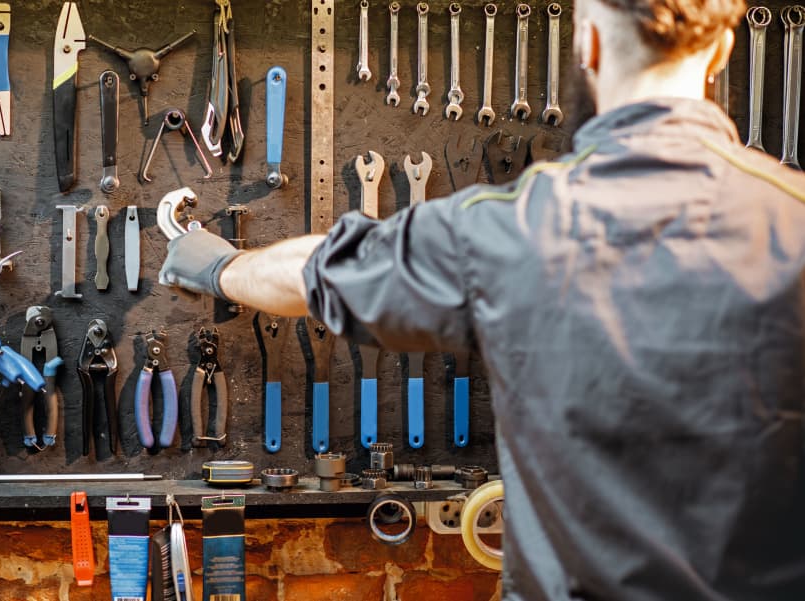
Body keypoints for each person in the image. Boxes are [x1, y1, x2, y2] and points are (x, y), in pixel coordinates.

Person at [161, 0, 805, 598]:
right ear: (721, 54)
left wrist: (221, 265)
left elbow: (313, 274)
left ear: (588, 45)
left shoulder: (511, 227)